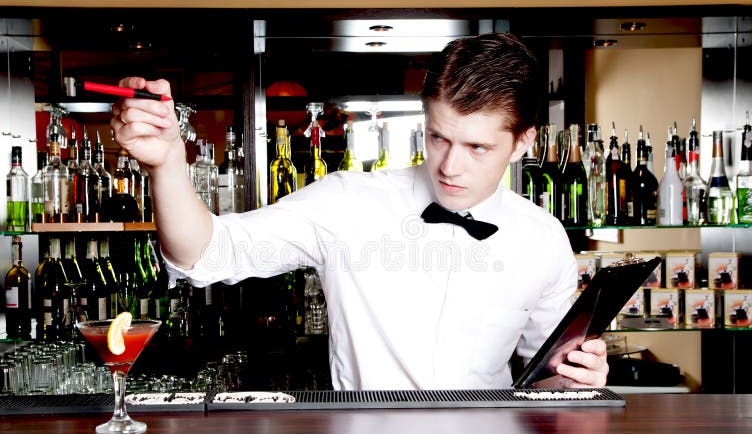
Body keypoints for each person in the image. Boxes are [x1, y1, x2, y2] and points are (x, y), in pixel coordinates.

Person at [111, 33, 608, 391]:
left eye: (477, 147)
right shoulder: (348, 201)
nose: (450, 166)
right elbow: (205, 255)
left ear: (523, 142)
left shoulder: (543, 239)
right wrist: (167, 163)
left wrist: (576, 378)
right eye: (438, 137)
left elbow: (545, 379)